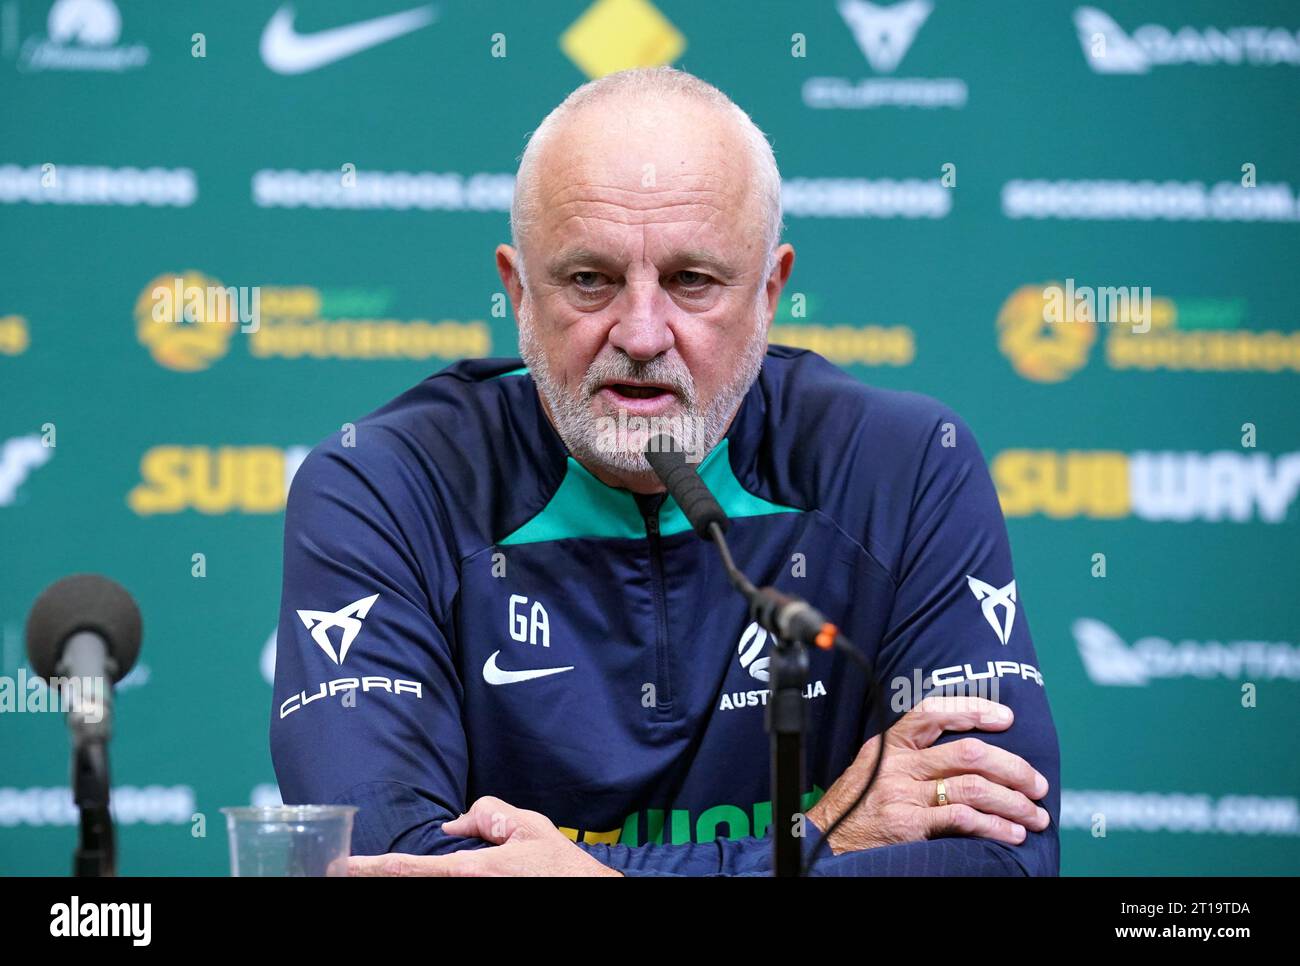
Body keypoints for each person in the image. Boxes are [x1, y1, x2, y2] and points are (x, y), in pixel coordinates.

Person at [270, 66, 1059, 876]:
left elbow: (1000, 862)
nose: (642, 334)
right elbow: (385, 864)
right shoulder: (385, 485)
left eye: (691, 281)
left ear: (769, 288)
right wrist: (818, 841)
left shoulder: (905, 465)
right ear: (516, 290)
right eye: (590, 280)